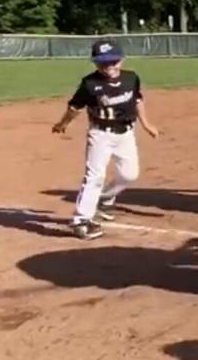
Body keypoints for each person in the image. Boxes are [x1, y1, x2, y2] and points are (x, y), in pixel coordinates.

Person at [51, 39, 160, 240]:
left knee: (129, 175)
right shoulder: (90, 84)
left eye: (113, 61)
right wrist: (62, 123)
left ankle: (104, 199)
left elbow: (137, 100)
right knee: (94, 176)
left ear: (122, 60)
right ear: (95, 63)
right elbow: (75, 107)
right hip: (100, 134)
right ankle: (81, 221)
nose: (109, 66)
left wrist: (146, 124)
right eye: (103, 62)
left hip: (126, 134)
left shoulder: (131, 78)